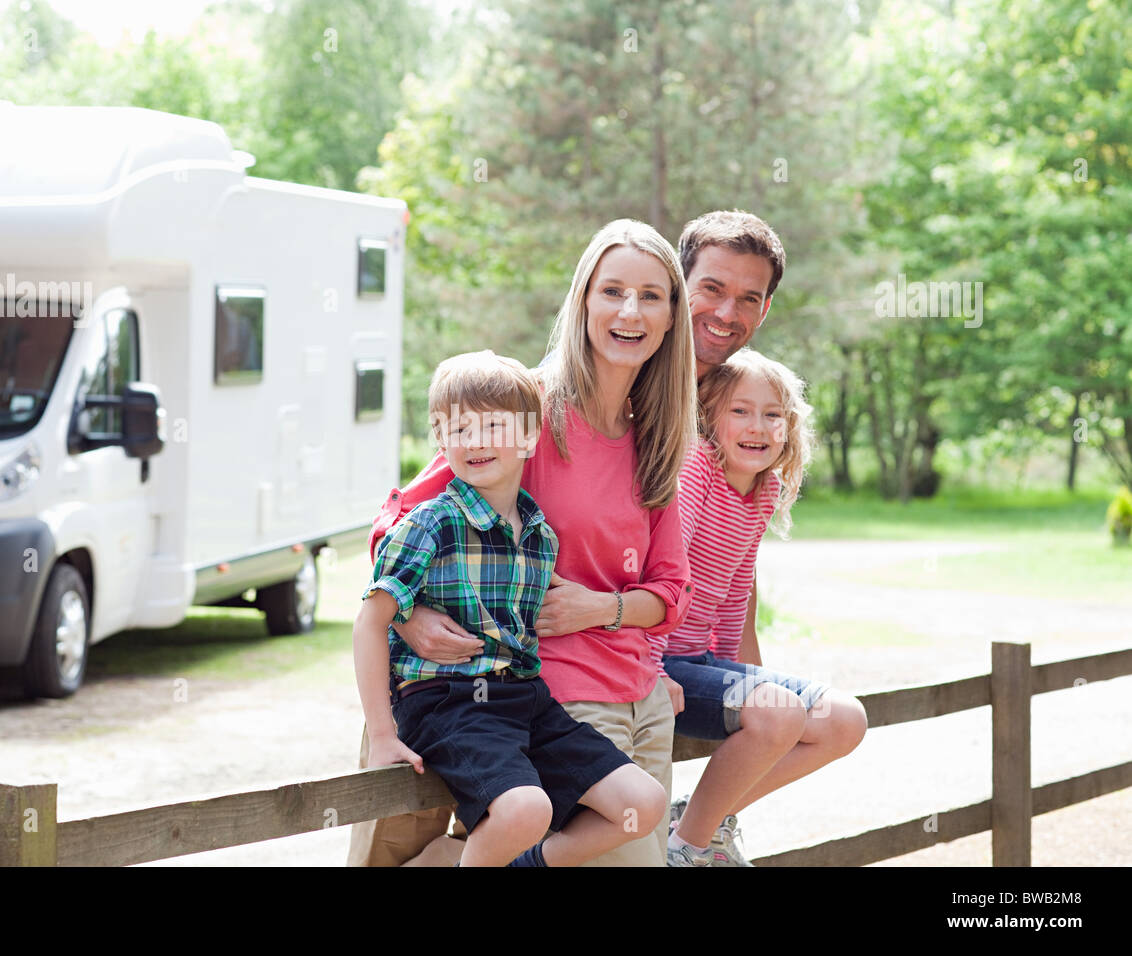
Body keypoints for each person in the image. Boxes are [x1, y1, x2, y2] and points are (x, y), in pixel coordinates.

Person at [350, 218, 698, 867]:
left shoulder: (655, 434)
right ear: (583, 300)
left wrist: (610, 613)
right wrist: (412, 613)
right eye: (612, 290)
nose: (630, 310)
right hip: (524, 693)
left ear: (674, 316)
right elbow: (399, 521)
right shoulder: (522, 412)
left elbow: (670, 591)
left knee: (636, 814)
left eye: (652, 295)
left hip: (611, 695)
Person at [664, 349, 868, 866]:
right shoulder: (696, 471)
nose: (757, 426)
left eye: (772, 414)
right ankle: (684, 851)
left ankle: (699, 822)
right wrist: (647, 670)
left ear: (789, 426)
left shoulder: (762, 489)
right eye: (740, 411)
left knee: (845, 720)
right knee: (778, 713)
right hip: (657, 662)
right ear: (709, 417)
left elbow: (735, 593)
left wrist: (747, 676)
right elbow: (662, 574)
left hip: (700, 662)